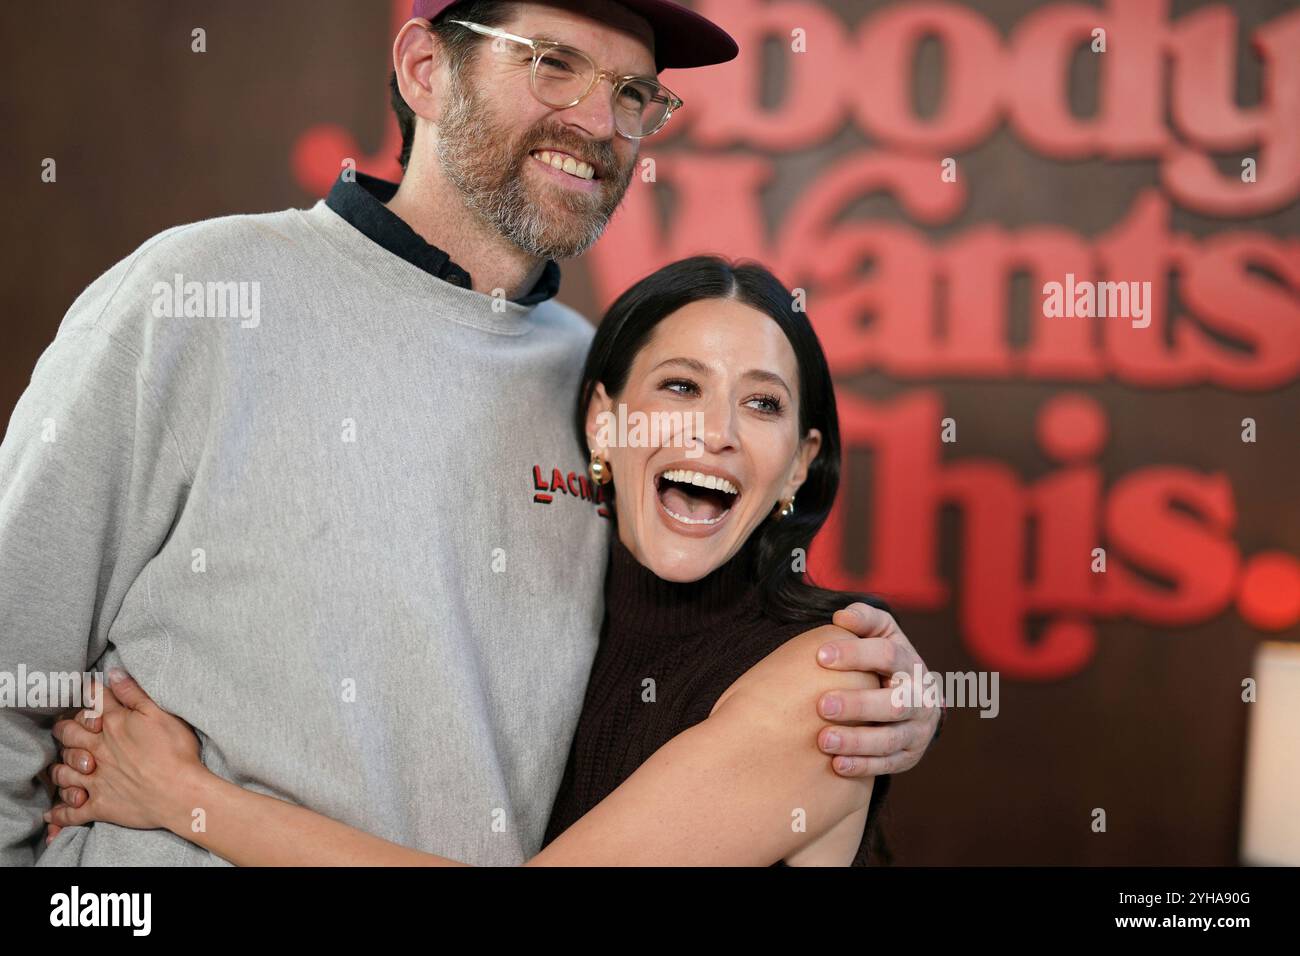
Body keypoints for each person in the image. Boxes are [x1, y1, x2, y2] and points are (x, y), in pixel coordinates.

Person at [3, 0, 942, 867]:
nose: (596, 122)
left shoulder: (595, 383)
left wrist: (892, 687)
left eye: (630, 94)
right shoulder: (197, 294)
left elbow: (705, 647)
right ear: (423, 69)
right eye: (554, 64)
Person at [51, 256, 902, 865]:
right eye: (680, 386)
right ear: (603, 425)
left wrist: (185, 798)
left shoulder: (830, 681)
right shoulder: (569, 600)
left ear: (797, 461)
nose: (715, 430)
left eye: (762, 403)